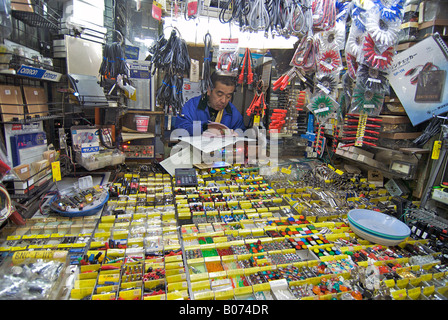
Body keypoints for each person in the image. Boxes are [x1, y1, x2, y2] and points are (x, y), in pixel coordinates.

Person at [174, 71, 246, 135]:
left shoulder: (232, 112)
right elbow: (180, 129)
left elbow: (241, 130)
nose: (224, 101)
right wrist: (205, 127)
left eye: (228, 96)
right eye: (220, 95)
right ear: (209, 90)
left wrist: (237, 134)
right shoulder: (192, 106)